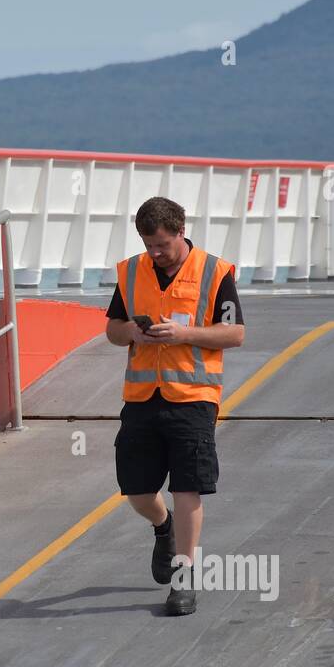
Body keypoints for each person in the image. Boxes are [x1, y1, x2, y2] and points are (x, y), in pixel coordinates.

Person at [105, 196, 244, 615]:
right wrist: (132, 330)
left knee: (188, 487)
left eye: (162, 244)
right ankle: (162, 527)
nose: (156, 253)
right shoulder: (131, 272)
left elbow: (235, 334)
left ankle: (184, 577)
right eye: (149, 245)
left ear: (181, 231)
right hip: (143, 397)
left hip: (194, 398)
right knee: (137, 489)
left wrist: (184, 336)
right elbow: (112, 330)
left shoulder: (214, 271)